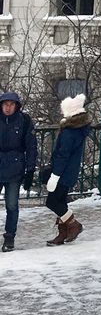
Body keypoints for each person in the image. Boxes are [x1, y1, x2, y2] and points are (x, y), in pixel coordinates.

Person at [45, 93, 92, 246]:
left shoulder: (70, 132)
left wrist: (55, 175)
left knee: (52, 202)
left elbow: (62, 155)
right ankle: (62, 232)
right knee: (60, 201)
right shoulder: (78, 130)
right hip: (70, 171)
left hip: (63, 173)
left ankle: (73, 224)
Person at [1, 90, 37, 252]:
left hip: (15, 167)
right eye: (5, 104)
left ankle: (9, 237)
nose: (8, 108)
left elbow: (31, 146)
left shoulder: (23, 121)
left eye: (11, 105)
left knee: (12, 204)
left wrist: (30, 169)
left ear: (16, 106)